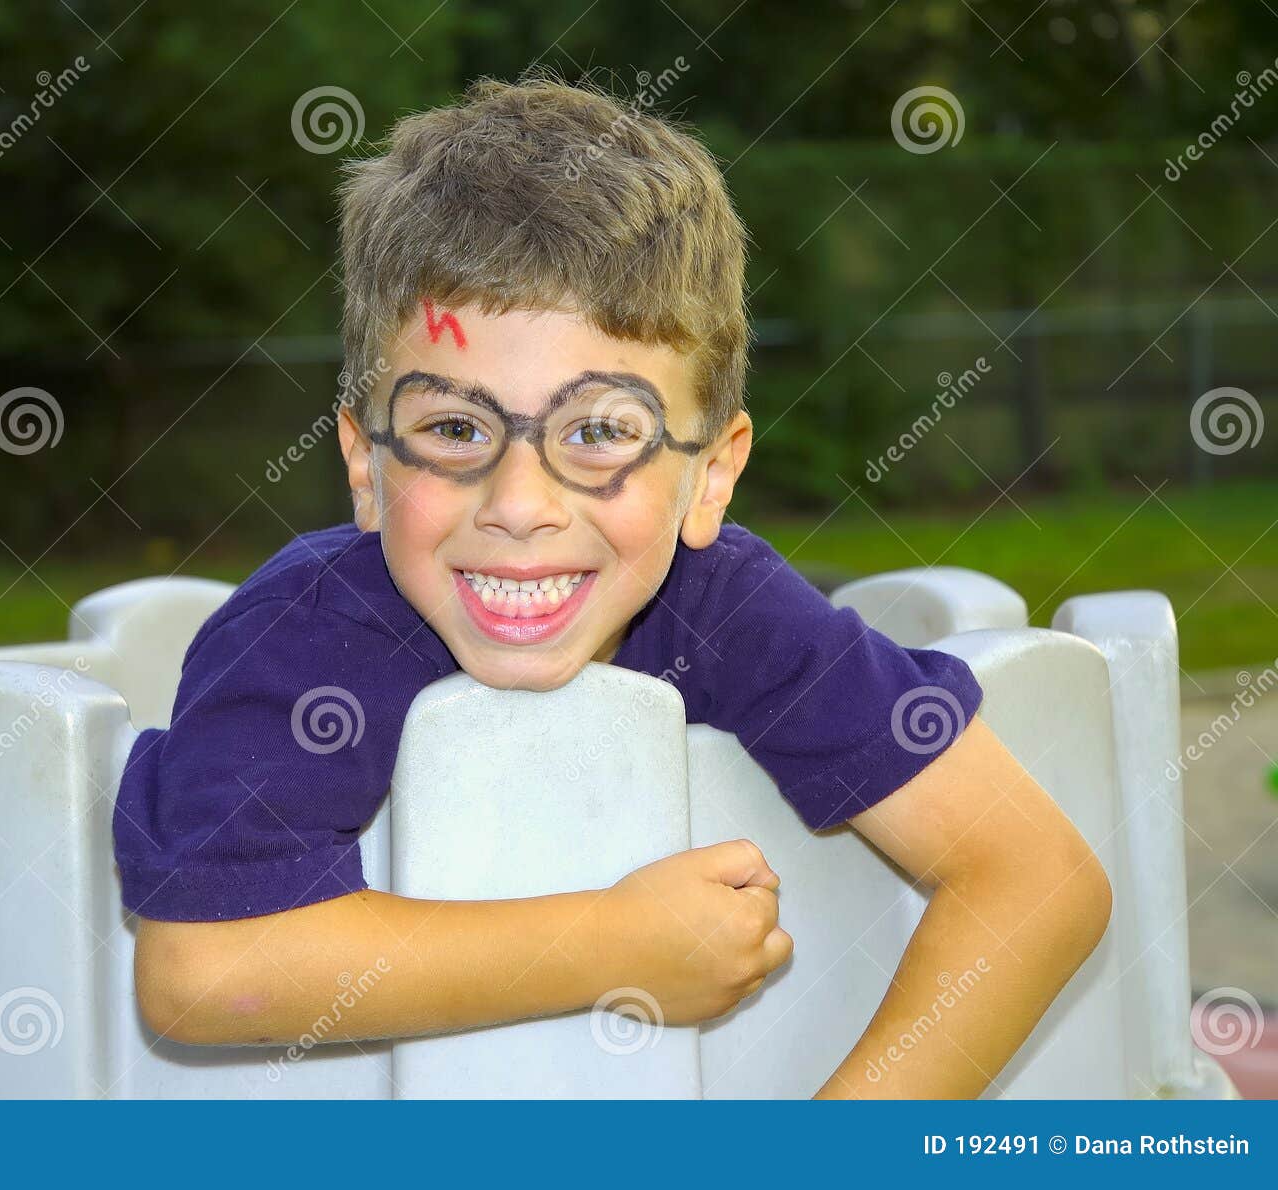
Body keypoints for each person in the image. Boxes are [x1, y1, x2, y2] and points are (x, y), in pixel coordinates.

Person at [113, 72, 1112, 1097]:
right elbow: (202, 970)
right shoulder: (303, 632)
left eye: (598, 432)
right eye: (454, 428)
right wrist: (611, 945)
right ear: (366, 464)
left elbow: (1038, 878)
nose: (519, 502)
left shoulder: (727, 607)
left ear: (710, 472)